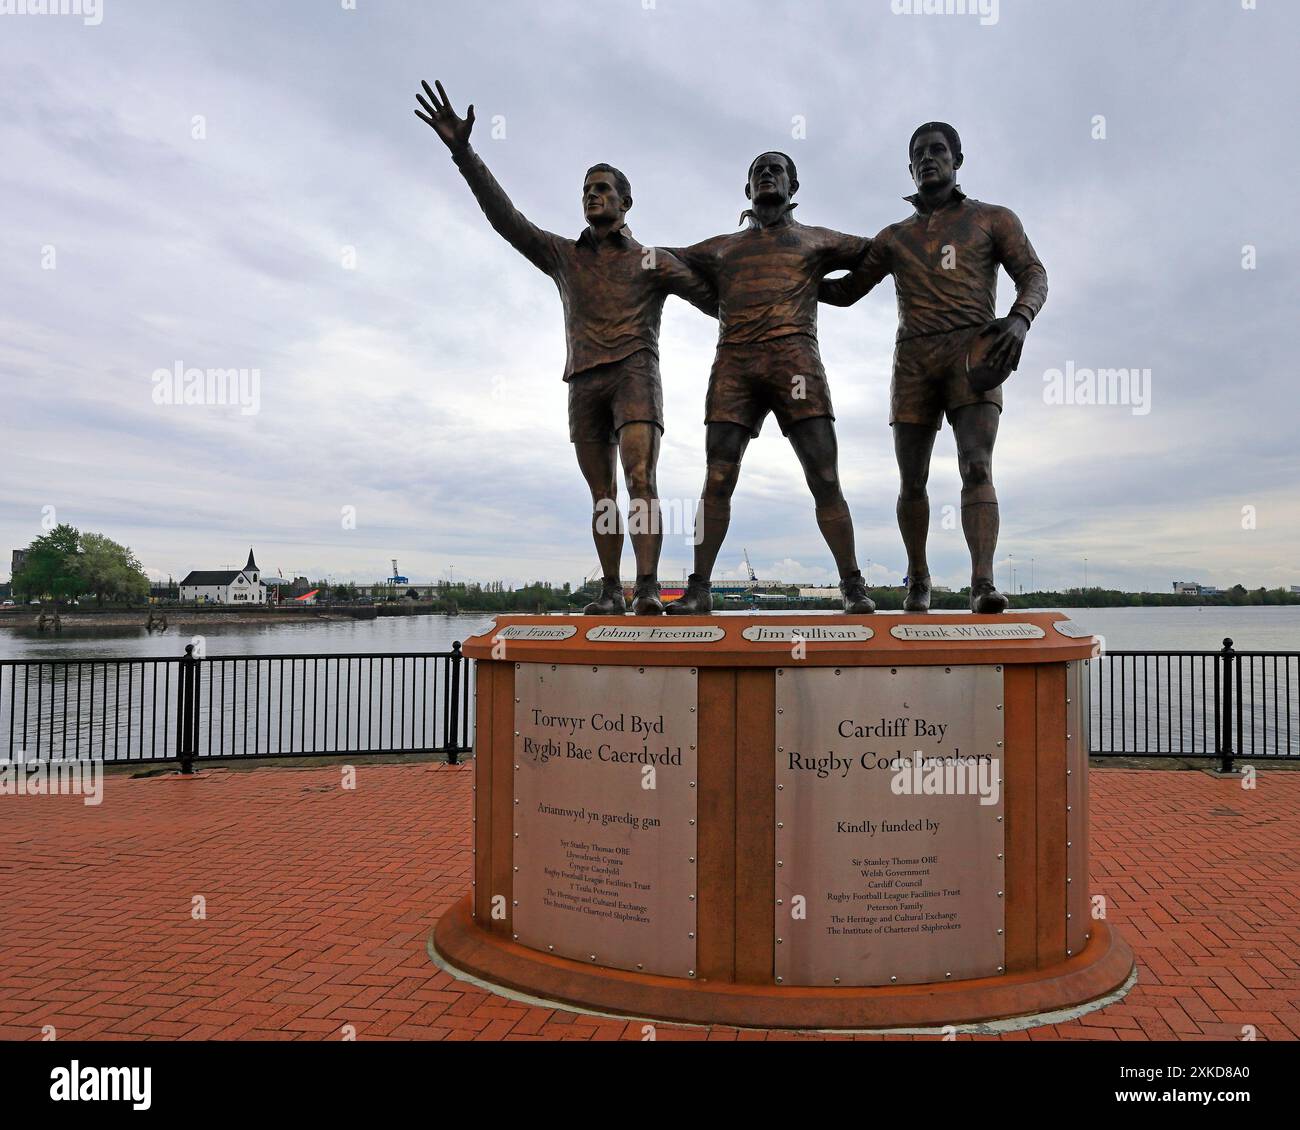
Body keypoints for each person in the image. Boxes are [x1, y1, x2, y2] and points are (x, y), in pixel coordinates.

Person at [415, 79, 717, 615]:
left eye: (602, 188)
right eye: (586, 190)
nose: (592, 195)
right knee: (602, 495)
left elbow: (715, 301)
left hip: (635, 376)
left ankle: (647, 588)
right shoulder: (563, 256)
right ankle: (610, 590)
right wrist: (464, 152)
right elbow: (507, 220)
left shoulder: (652, 259)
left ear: (626, 201)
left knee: (641, 479)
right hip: (583, 380)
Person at [820, 122, 1048, 613]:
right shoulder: (895, 237)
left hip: (975, 353)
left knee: (977, 465)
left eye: (938, 150)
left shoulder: (994, 218)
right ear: (909, 167)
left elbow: (1033, 273)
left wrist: (1019, 321)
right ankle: (918, 578)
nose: (928, 158)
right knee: (912, 480)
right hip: (914, 362)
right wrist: (791, 270)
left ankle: (982, 583)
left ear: (957, 159)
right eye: (919, 153)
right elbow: (844, 291)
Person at [664, 152, 875, 616]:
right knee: (716, 478)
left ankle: (852, 585)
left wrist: (834, 292)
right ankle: (699, 588)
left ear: (793, 187)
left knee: (824, 476)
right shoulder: (722, 248)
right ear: (747, 191)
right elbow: (663, 261)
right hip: (734, 367)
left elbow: (880, 252)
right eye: (758, 171)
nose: (766, 174)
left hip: (797, 364)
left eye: (776, 169)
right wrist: (713, 301)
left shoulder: (817, 241)